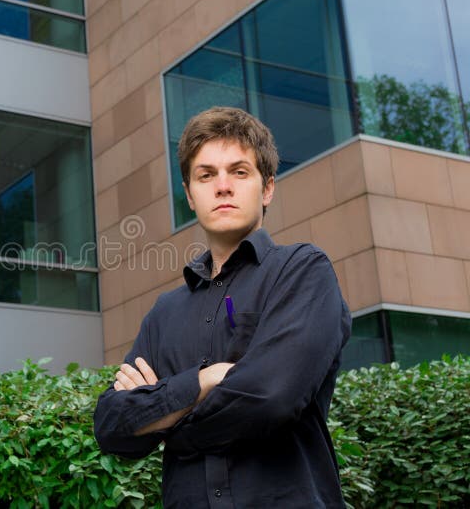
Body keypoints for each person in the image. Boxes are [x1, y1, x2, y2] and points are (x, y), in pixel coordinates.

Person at [93, 107, 351, 508]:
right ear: (190, 195)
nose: (223, 186)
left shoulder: (302, 271)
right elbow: (111, 426)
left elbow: (270, 398)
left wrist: (166, 420)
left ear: (267, 189)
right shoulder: (165, 312)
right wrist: (207, 379)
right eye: (206, 175)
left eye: (239, 172)